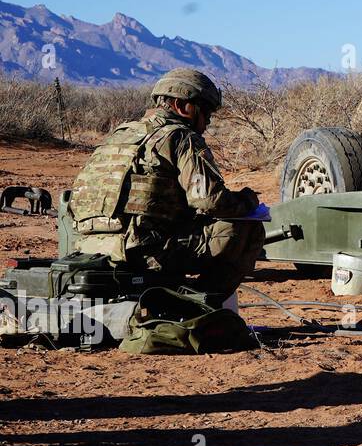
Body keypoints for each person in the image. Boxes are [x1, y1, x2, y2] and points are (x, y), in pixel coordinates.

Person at [69, 68, 262, 296]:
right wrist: (247, 202)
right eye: (205, 109)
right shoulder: (181, 137)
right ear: (182, 107)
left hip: (89, 247)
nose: (208, 120)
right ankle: (199, 307)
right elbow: (211, 201)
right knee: (247, 227)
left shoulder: (119, 134)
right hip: (143, 251)